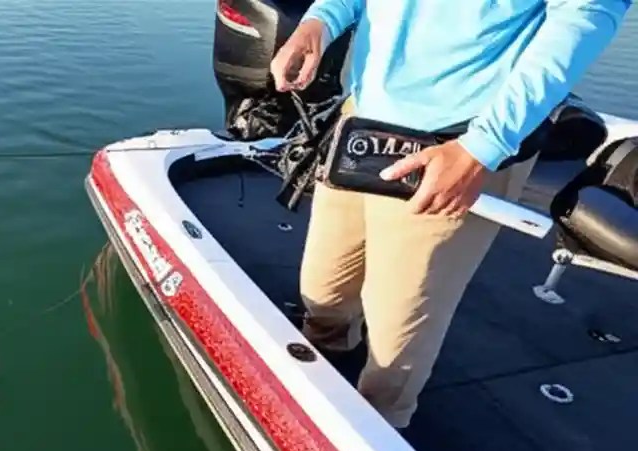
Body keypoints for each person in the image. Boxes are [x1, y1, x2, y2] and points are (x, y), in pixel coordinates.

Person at [269, 0, 630, 429]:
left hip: (460, 141)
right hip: (364, 119)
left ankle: (380, 428)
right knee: (324, 290)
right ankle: (326, 359)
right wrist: (320, 21)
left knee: (398, 335)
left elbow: (584, 18)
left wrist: (482, 148)